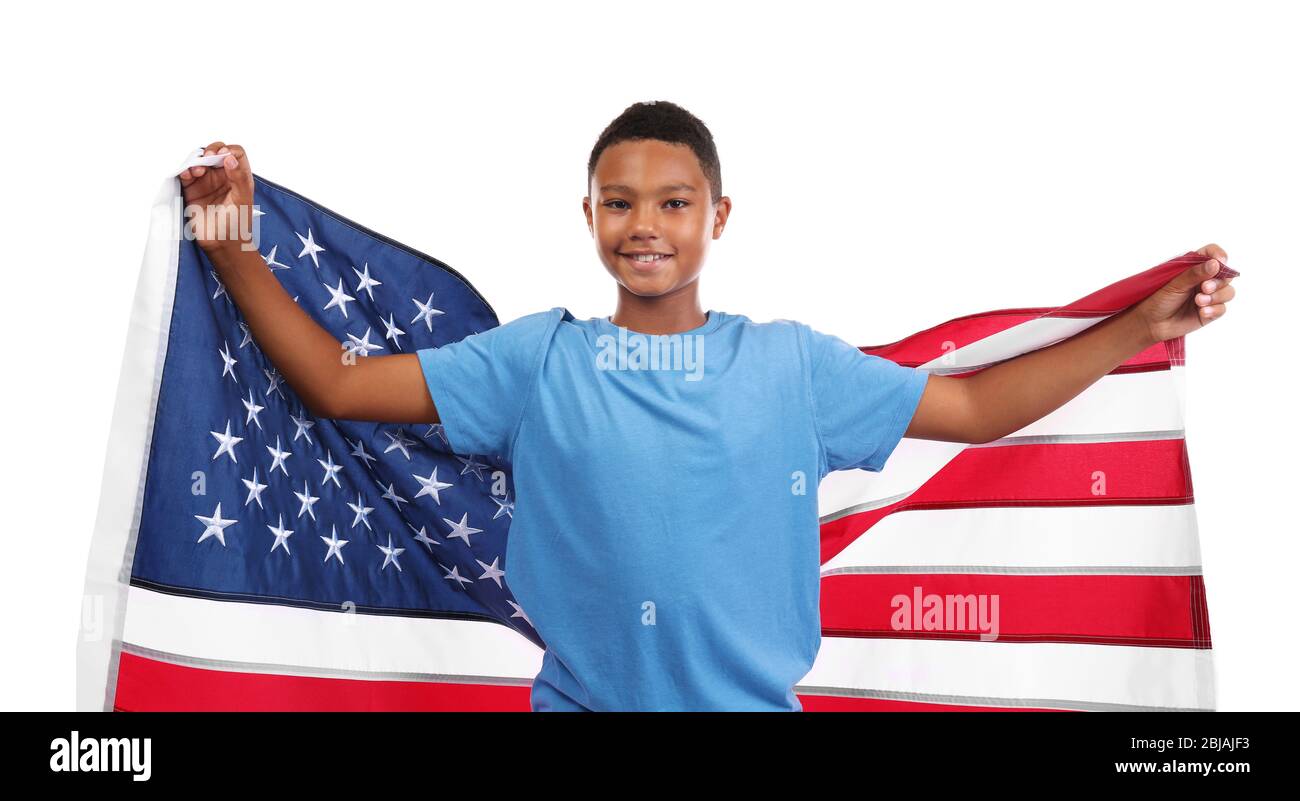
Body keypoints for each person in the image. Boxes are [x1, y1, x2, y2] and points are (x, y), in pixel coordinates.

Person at [178, 101, 1237, 711]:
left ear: (716, 215)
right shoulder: (535, 362)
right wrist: (233, 249)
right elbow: (338, 385)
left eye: (673, 202)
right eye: (620, 202)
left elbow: (972, 406)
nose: (646, 225)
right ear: (587, 214)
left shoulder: (789, 367)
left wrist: (1138, 328)